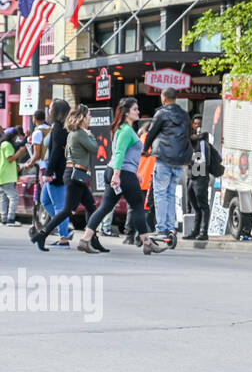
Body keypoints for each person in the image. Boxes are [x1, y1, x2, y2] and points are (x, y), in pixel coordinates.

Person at [83, 98, 156, 253]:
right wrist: (117, 175)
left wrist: (134, 174)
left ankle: (85, 239)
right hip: (122, 173)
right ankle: (147, 243)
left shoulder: (122, 129)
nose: (138, 112)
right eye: (135, 109)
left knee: (105, 207)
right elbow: (119, 153)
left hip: (121, 172)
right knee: (137, 206)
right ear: (127, 112)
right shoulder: (126, 130)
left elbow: (126, 155)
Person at [35, 105, 105, 253]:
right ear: (82, 118)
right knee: (67, 209)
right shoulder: (80, 133)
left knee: (91, 207)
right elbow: (94, 148)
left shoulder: (72, 133)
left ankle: (92, 240)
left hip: (75, 173)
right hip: (76, 174)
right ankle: (42, 235)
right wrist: (90, 134)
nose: (90, 118)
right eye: (89, 116)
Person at [142, 87, 193, 245]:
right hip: (179, 160)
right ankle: (171, 227)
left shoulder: (161, 113)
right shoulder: (184, 115)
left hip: (163, 158)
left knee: (160, 194)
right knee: (171, 194)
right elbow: (189, 134)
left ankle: (162, 228)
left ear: (164, 99)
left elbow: (151, 133)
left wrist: (145, 149)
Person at [39, 99, 74, 246]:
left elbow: (55, 153)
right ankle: (65, 225)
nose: (48, 110)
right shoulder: (57, 127)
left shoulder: (60, 128)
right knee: (45, 200)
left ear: (56, 111)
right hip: (55, 168)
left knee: (59, 206)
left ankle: (64, 237)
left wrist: (49, 172)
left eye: (51, 108)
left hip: (56, 171)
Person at [184, 117, 219, 241]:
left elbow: (203, 160)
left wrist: (190, 160)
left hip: (200, 177)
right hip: (192, 177)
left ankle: (203, 232)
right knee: (195, 206)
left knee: (203, 205)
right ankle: (195, 230)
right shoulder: (192, 143)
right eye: (195, 125)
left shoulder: (203, 142)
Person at [0, 127, 24, 226]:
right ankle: (10, 219)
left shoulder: (3, 144)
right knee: (14, 197)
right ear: (12, 136)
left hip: (3, 174)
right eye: (15, 136)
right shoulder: (8, 145)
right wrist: (20, 152)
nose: (16, 138)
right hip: (8, 175)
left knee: (3, 197)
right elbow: (10, 158)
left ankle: (4, 219)